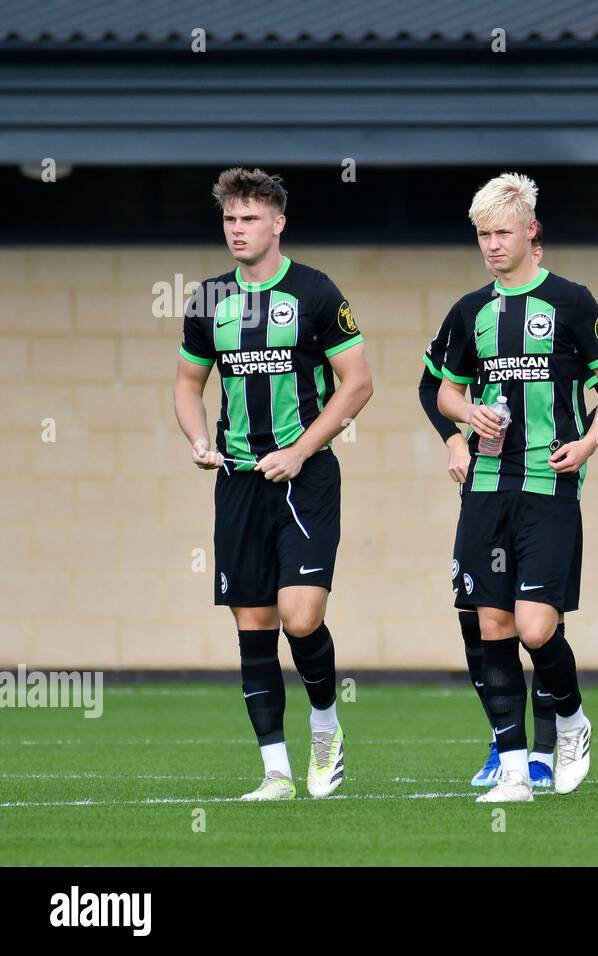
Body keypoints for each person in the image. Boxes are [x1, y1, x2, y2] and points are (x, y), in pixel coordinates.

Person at [173, 168, 372, 800]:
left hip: (305, 479)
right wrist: (200, 441)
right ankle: (276, 772)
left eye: (250, 219)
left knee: (300, 615)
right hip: (237, 484)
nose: (238, 230)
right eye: (230, 220)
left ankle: (325, 728)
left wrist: (300, 450)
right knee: (253, 624)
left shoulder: (315, 292)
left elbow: (358, 383)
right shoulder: (208, 299)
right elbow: (187, 386)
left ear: (278, 223)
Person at [435, 173, 598, 802]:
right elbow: (444, 389)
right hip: (486, 489)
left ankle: (572, 719)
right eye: (482, 234)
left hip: (550, 488)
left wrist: (591, 439)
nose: (491, 245)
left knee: (537, 628)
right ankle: (515, 766)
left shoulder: (572, 302)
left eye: (501, 233)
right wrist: (466, 419)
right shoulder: (470, 312)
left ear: (530, 232)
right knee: (491, 622)